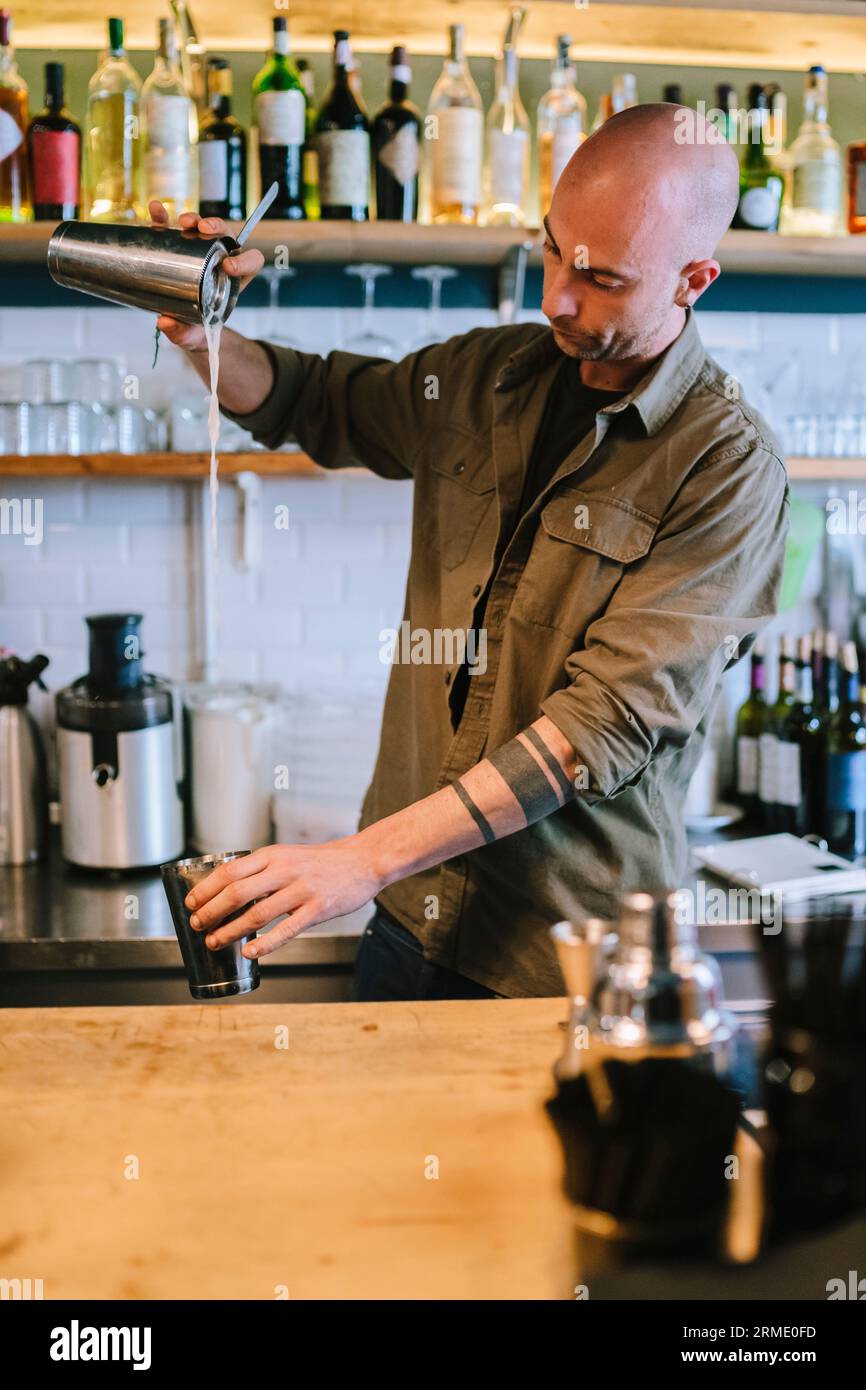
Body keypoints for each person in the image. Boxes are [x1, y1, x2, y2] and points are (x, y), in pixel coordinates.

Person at [156, 103, 789, 1001]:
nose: (556, 297)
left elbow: (599, 728)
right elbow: (309, 400)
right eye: (553, 250)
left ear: (694, 279)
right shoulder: (486, 375)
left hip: (566, 959)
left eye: (602, 278)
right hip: (408, 926)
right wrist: (203, 333)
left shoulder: (728, 467)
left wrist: (359, 859)